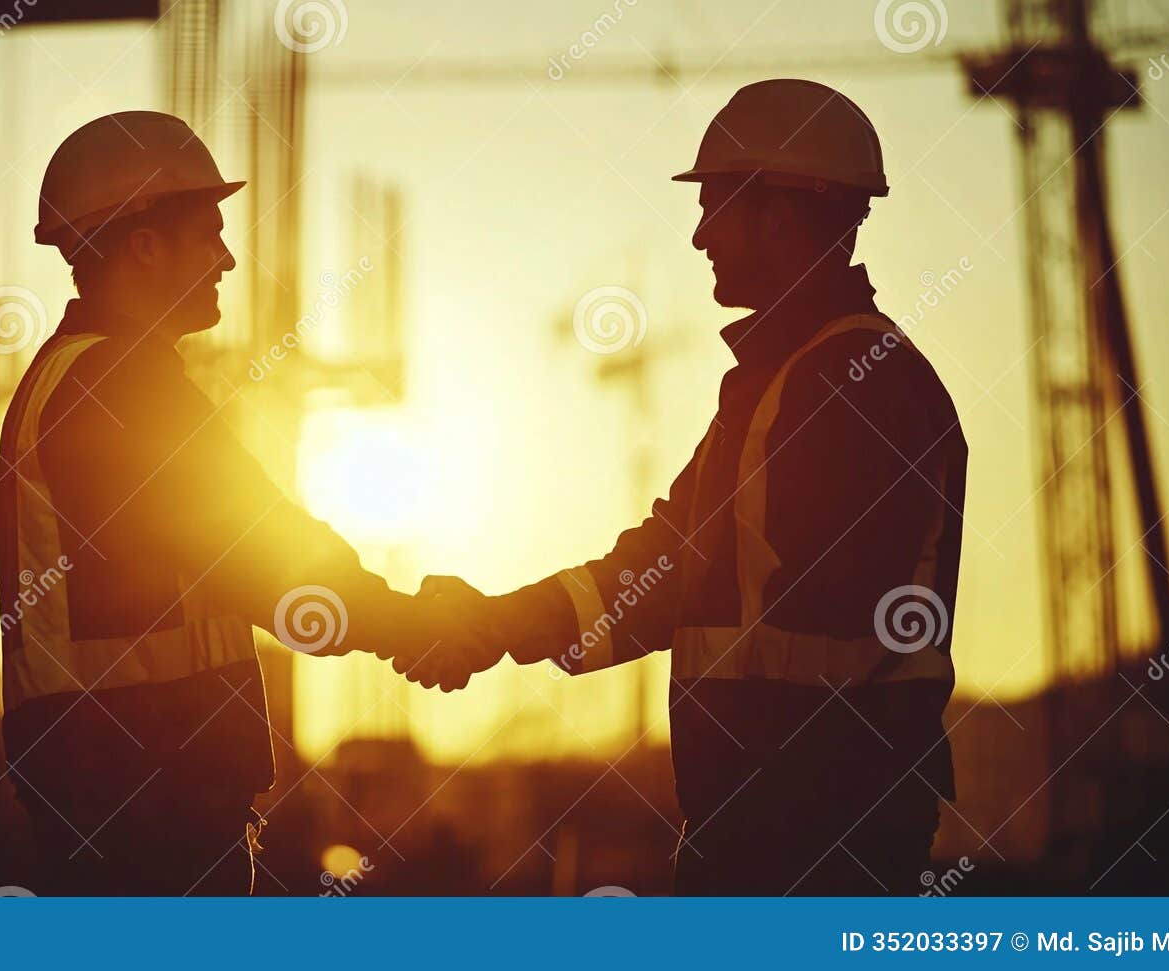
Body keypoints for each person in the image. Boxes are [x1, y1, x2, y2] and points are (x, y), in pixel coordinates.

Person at [412, 79, 968, 895]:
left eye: (715, 207)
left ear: (779, 214)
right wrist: (496, 624)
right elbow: (670, 558)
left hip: (808, 844)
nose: (701, 234)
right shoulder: (785, 382)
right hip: (780, 829)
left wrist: (492, 625)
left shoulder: (845, 387)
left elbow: (677, 576)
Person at [0, 111, 487, 896]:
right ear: (143, 243)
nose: (226, 258)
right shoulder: (121, 387)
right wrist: (409, 624)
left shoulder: (77, 378)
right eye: (207, 235)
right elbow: (255, 548)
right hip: (144, 804)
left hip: (116, 796)